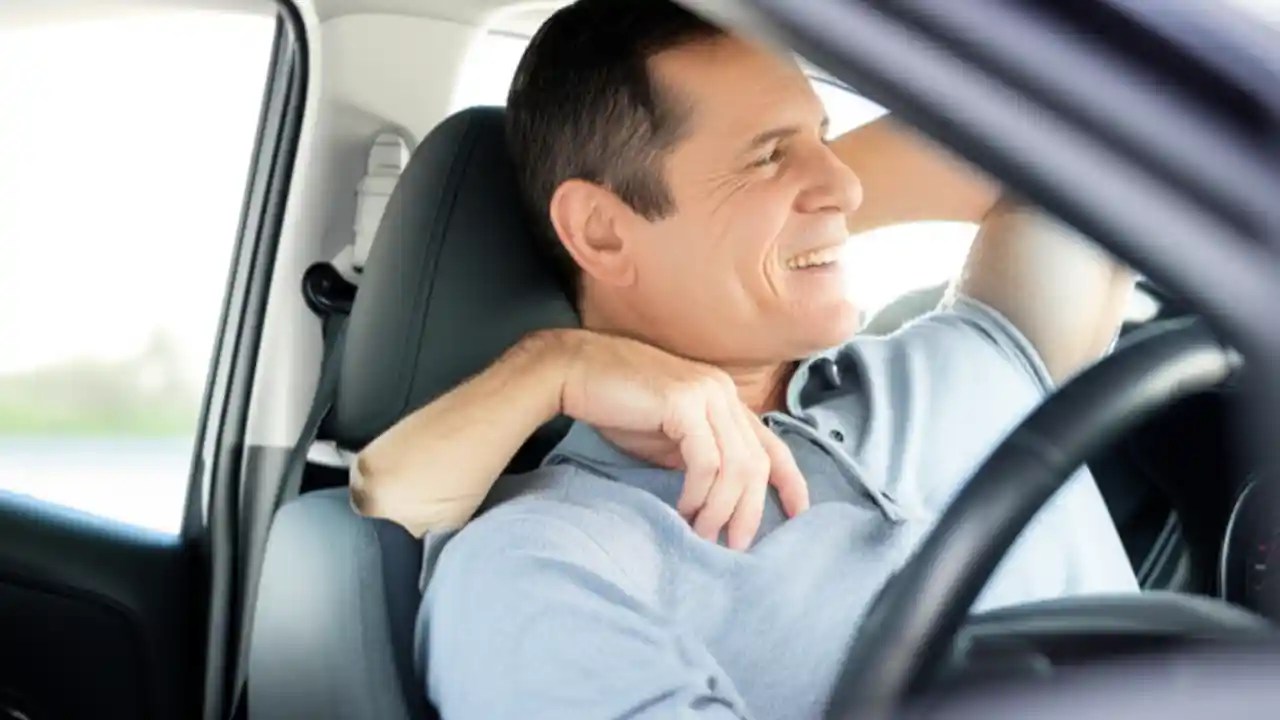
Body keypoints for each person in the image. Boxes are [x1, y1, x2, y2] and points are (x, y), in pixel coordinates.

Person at [350, 1, 1139, 717]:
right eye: (767, 155)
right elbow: (384, 498)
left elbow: (1103, 137)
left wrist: (791, 215)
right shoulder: (545, 560)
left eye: (823, 139)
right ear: (602, 232)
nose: (849, 187)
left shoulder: (961, 362)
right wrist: (556, 363)